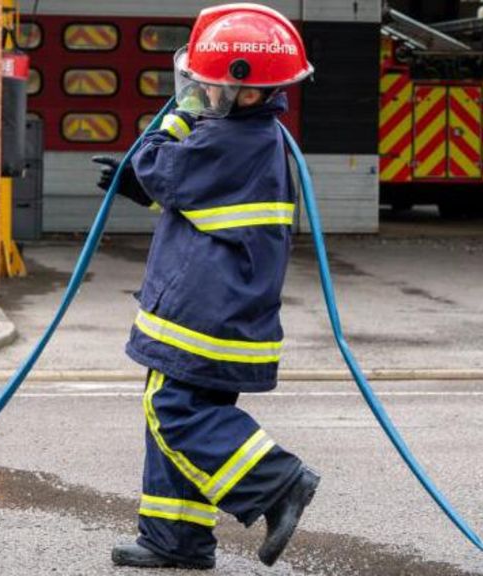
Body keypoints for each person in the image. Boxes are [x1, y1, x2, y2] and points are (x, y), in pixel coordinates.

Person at [92, 3, 318, 570]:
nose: (199, 91)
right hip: (220, 311)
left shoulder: (234, 138)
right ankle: (177, 540)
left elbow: (156, 163)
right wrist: (143, 187)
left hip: (204, 315)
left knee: (173, 411)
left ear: (244, 89)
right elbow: (192, 195)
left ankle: (277, 481)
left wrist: (178, 114)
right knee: (169, 414)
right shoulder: (248, 136)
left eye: (207, 83)